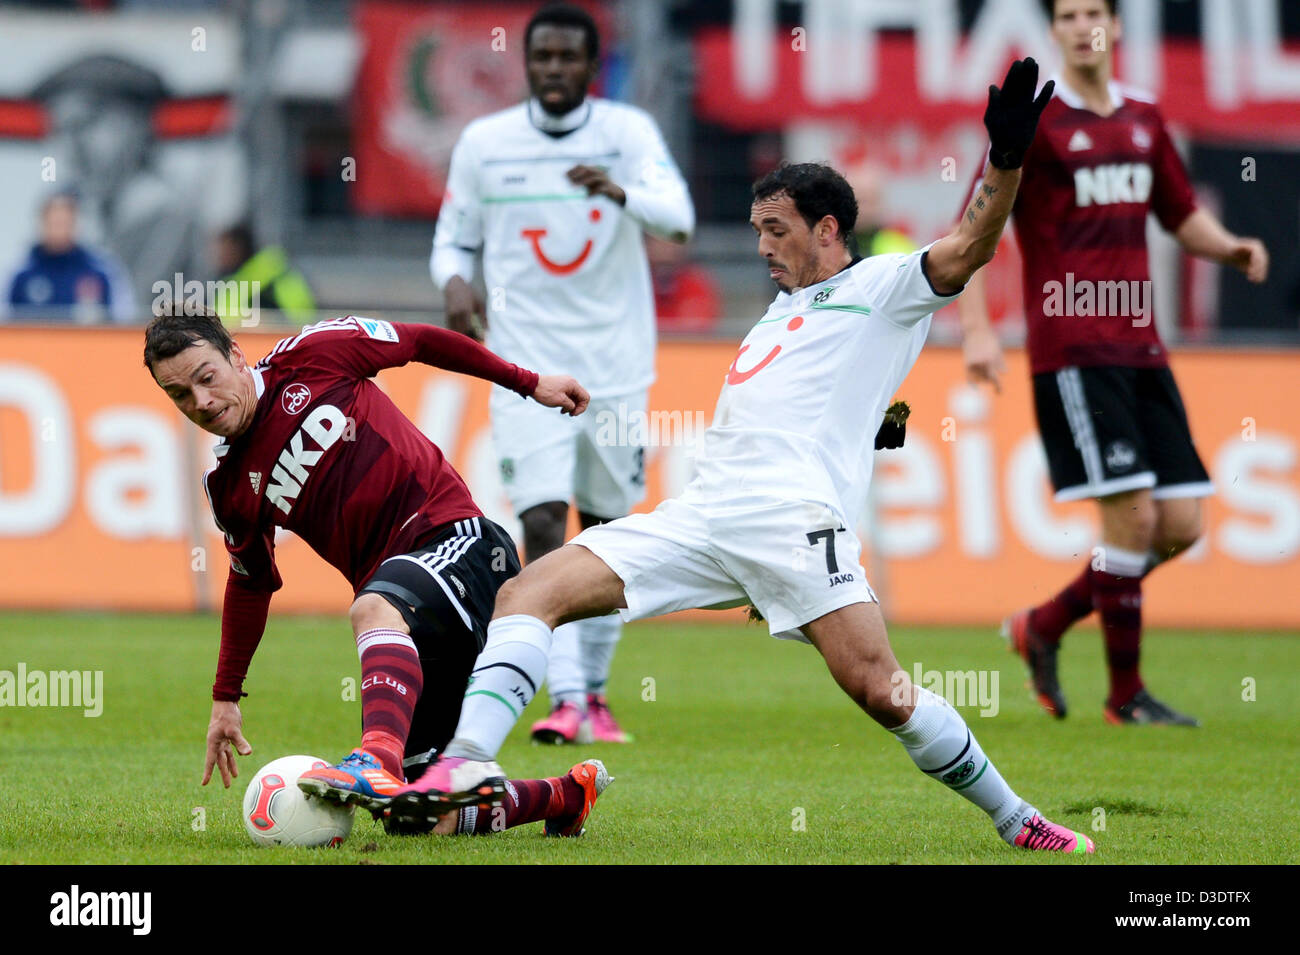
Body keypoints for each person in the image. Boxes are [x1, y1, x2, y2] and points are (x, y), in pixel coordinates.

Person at [393, 61, 1095, 854]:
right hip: (704, 512)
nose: (761, 246)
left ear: (828, 229)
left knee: (882, 690)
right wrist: (869, 422)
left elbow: (970, 246)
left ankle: (1016, 818)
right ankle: (462, 765)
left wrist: (1005, 162)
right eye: (758, 229)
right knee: (530, 589)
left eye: (777, 230)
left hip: (792, 522)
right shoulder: (777, 312)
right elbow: (807, 400)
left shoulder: (884, 284)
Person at [143, 306, 610, 837]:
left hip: (458, 542)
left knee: (370, 607)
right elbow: (250, 584)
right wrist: (225, 698)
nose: (201, 402)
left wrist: (529, 383)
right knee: (415, 816)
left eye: (207, 378)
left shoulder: (315, 353)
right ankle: (565, 796)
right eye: (179, 395)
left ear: (234, 356)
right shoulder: (230, 487)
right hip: (409, 620)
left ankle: (376, 757)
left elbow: (424, 340)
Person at [959, 0, 1269, 726]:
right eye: (1067, 14)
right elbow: (973, 229)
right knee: (1131, 515)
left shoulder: (1145, 116)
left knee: (1182, 524)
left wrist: (1229, 246)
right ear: (1055, 31)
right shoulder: (1035, 122)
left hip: (1142, 346)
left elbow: (1180, 212)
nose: (1082, 24)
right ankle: (1125, 695)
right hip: (1073, 348)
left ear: (1117, 26)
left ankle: (1043, 624)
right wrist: (976, 331)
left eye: (1095, 10)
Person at [431, 3, 695, 746]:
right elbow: (451, 242)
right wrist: (455, 284)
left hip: (615, 364)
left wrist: (621, 194)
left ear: (590, 64)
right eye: (540, 57)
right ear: (525, 62)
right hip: (526, 369)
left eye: (566, 58)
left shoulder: (626, 135)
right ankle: (569, 696)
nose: (552, 70)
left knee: (609, 530)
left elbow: (678, 218)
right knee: (543, 520)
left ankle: (594, 694)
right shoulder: (486, 143)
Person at [4, 191, 136, 323]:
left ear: (75, 224)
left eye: (64, 223)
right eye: (54, 223)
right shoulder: (20, 274)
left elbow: (124, 319)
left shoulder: (101, 271)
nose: (59, 229)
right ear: (42, 223)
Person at [210, 222, 316, 325]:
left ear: (238, 247)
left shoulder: (272, 277)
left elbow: (298, 317)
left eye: (224, 247)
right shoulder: (231, 278)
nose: (218, 254)